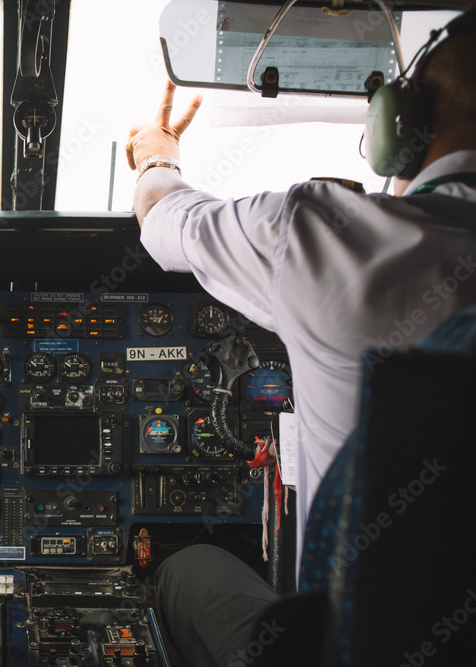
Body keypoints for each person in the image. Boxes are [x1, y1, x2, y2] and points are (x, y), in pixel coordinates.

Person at [126, 11, 476, 667]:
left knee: (191, 566)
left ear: (400, 128)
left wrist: (156, 152)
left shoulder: (328, 239)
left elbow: (166, 217)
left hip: (350, 647)